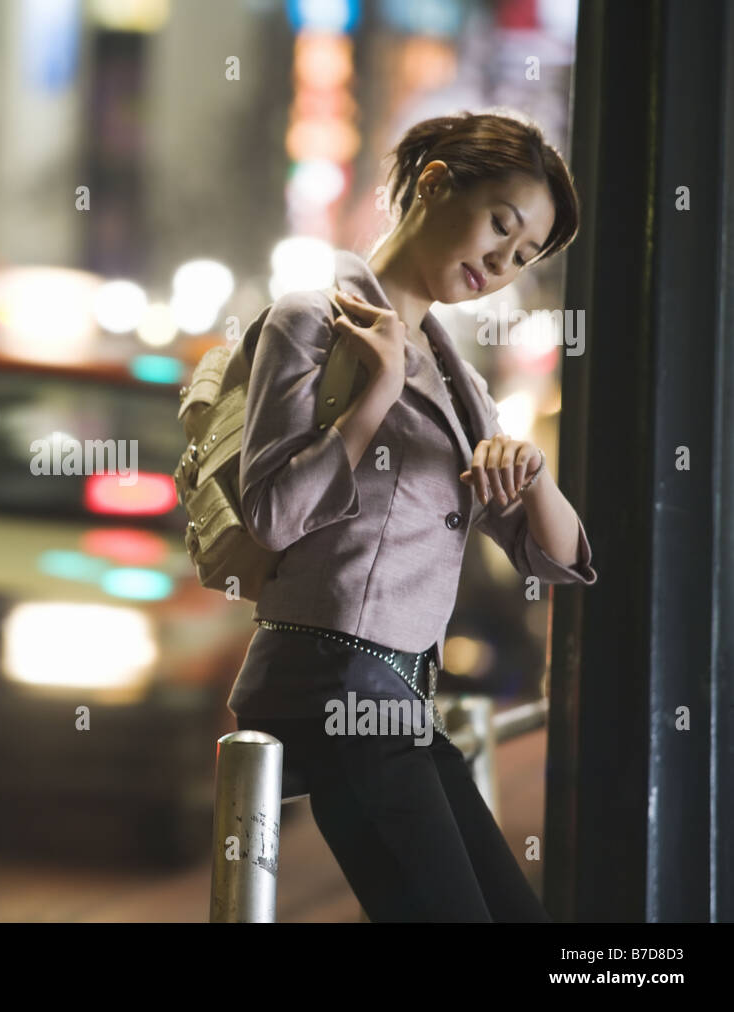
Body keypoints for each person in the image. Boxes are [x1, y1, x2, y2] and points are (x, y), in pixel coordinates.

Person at [228, 110, 598, 922]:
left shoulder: (461, 379)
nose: (501, 262)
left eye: (524, 254)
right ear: (434, 184)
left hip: (399, 700)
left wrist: (530, 472)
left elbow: (553, 557)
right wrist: (373, 397)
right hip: (329, 684)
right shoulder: (309, 319)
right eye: (501, 225)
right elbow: (271, 514)